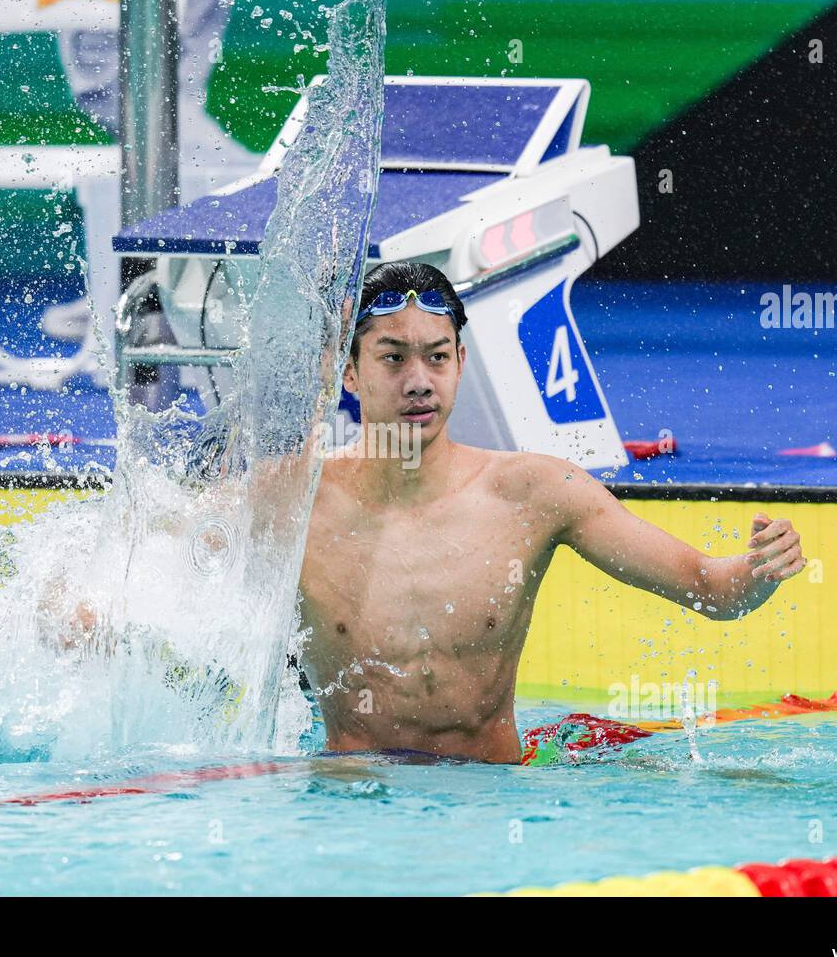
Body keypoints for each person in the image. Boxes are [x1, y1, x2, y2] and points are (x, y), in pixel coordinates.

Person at [297, 261, 806, 764]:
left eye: (436, 358)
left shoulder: (532, 492)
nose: (419, 383)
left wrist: (760, 569)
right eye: (392, 359)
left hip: (492, 802)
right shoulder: (293, 503)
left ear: (460, 361)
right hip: (355, 805)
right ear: (348, 371)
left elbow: (711, 589)